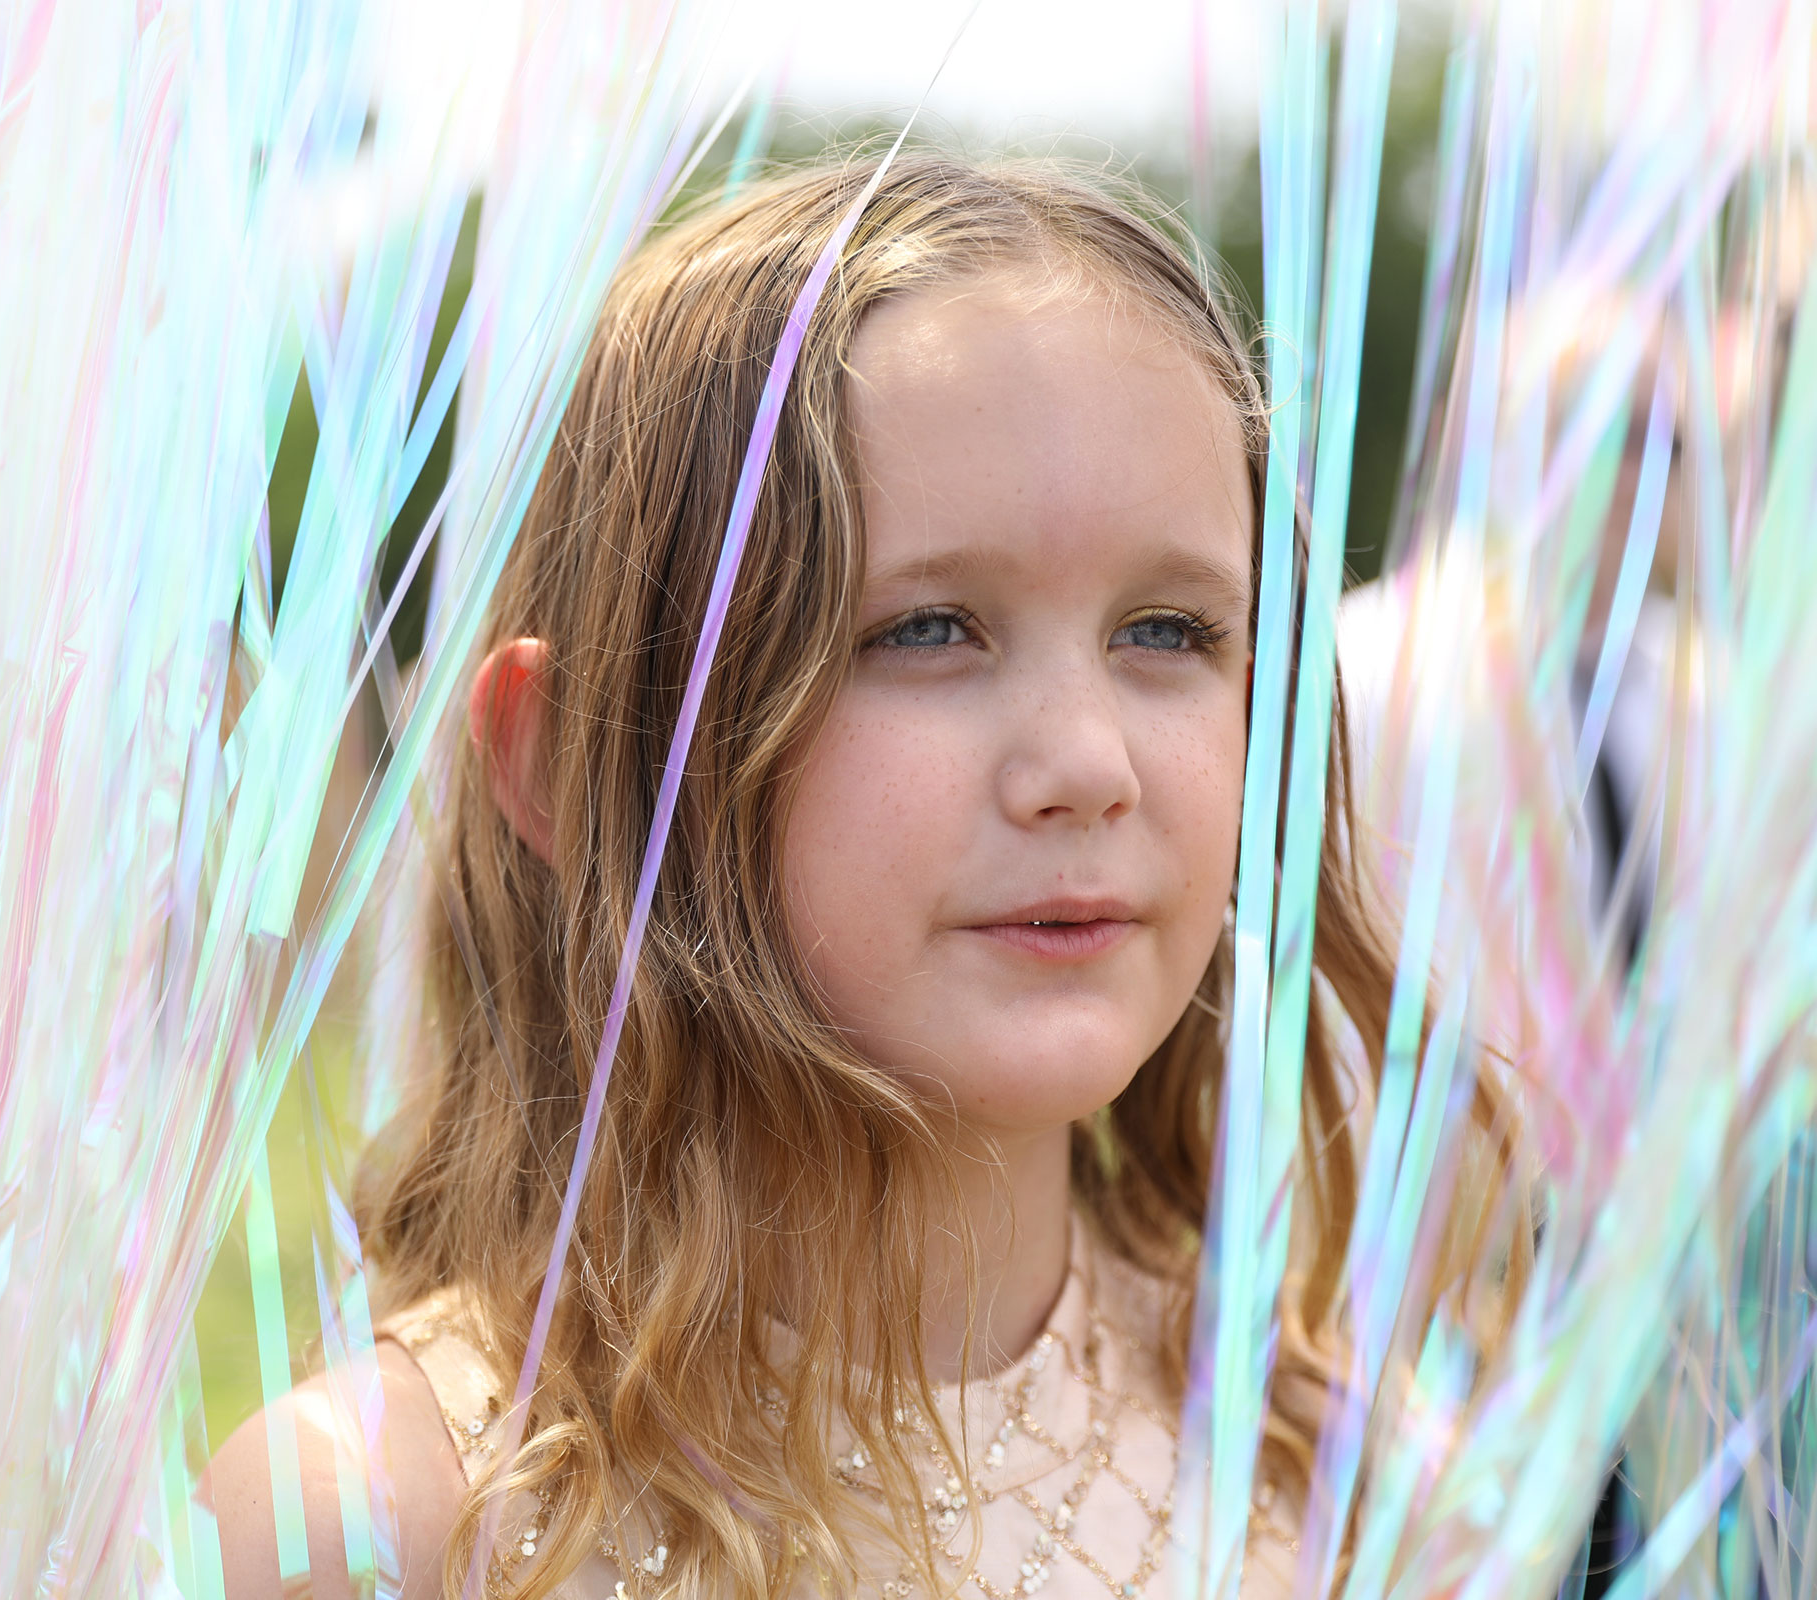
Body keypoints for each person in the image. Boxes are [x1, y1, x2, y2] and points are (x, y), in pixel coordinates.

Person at [201, 157, 1523, 1600]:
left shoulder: (1356, 1479)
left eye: (1166, 630)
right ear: (570, 763)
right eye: (928, 629)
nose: (1088, 761)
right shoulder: (379, 1522)